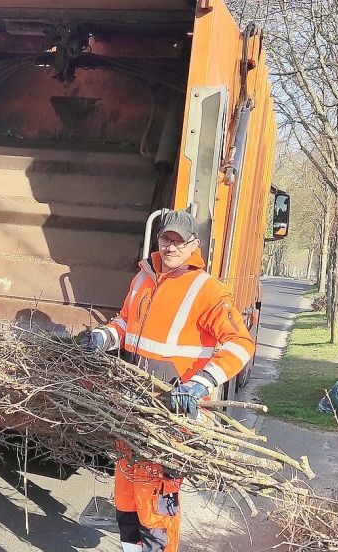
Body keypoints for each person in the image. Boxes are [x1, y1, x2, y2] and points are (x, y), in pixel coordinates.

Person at [81, 208, 255, 552]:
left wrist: (199, 384)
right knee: (127, 492)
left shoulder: (208, 290)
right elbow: (126, 323)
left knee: (156, 500)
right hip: (131, 405)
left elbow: (241, 343)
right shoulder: (143, 278)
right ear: (157, 240)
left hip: (170, 413)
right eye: (165, 239)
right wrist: (104, 336)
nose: (171, 247)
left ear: (194, 244)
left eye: (178, 241)